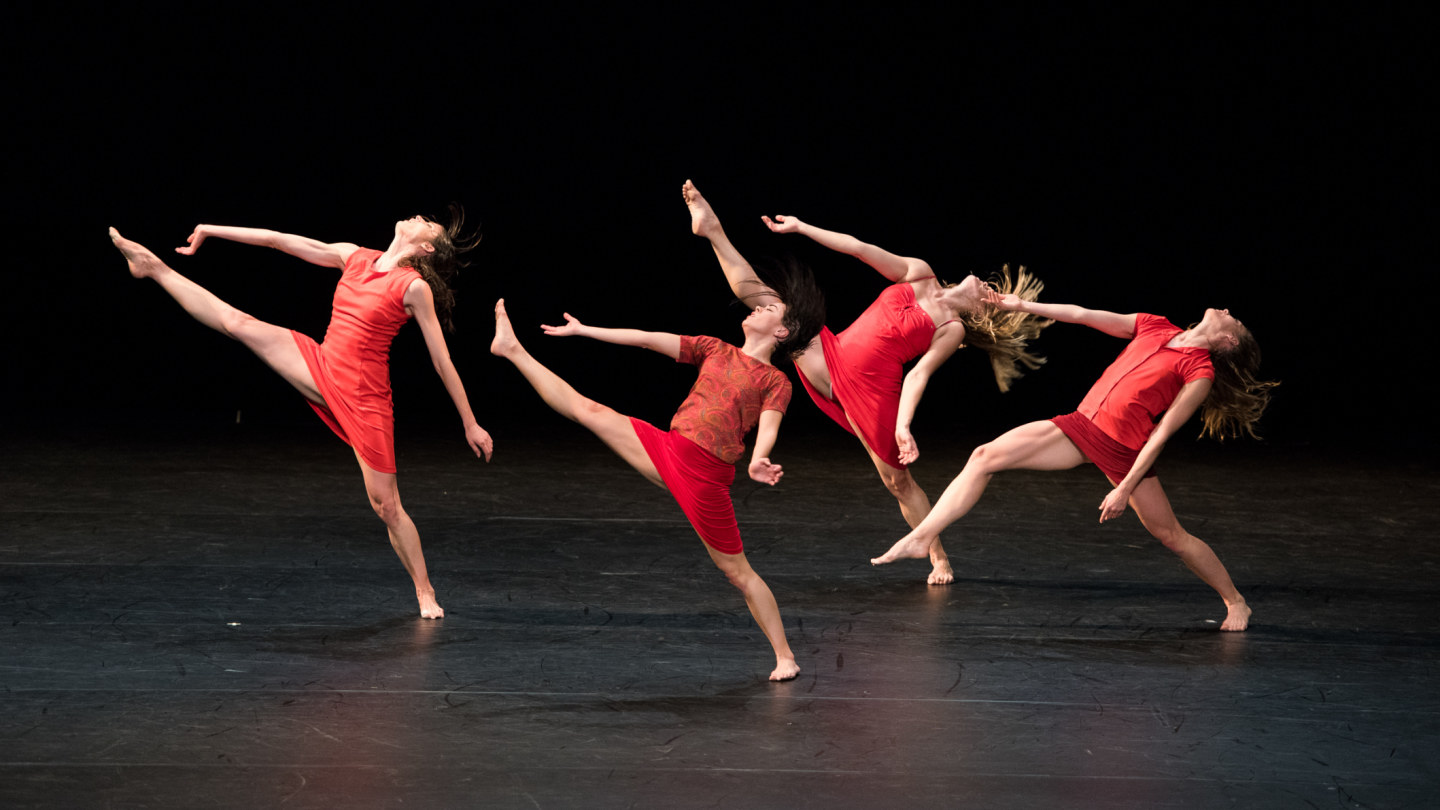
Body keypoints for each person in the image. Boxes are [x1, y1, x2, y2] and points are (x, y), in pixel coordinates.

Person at [488, 191, 823, 681]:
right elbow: (647, 338)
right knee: (590, 411)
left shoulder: (776, 381)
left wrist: (759, 460)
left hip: (708, 477)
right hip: (669, 448)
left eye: (768, 307)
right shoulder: (713, 347)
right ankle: (513, 350)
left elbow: (768, 427)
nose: (755, 306)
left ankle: (785, 655)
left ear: (781, 331)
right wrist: (585, 331)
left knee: (739, 574)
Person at [109, 212, 491, 619]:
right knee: (238, 323)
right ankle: (154, 268)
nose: (418, 216)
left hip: (365, 398)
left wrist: (469, 421)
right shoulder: (353, 256)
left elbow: (441, 360)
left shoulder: (413, 287)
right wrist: (209, 229)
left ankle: (424, 589)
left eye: (427, 223)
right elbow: (277, 239)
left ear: (427, 247)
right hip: (323, 365)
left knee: (387, 507)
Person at [683, 180, 1048, 585]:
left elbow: (919, 374)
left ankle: (937, 555)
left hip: (873, 390)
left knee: (897, 481)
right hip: (833, 353)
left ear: (981, 310)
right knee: (770, 304)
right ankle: (713, 229)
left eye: (992, 292)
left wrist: (902, 425)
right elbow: (859, 248)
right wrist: (804, 227)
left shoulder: (952, 328)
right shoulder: (919, 272)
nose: (986, 282)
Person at [871, 294, 1278, 631]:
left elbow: (1161, 435)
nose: (1226, 309)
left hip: (1123, 452)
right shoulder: (1157, 325)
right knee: (984, 456)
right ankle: (925, 535)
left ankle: (1235, 601)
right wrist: (1023, 305)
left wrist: (1124, 486)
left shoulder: (1199, 370)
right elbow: (1084, 316)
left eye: (1233, 318)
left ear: (1228, 341)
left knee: (1170, 534)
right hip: (1082, 425)